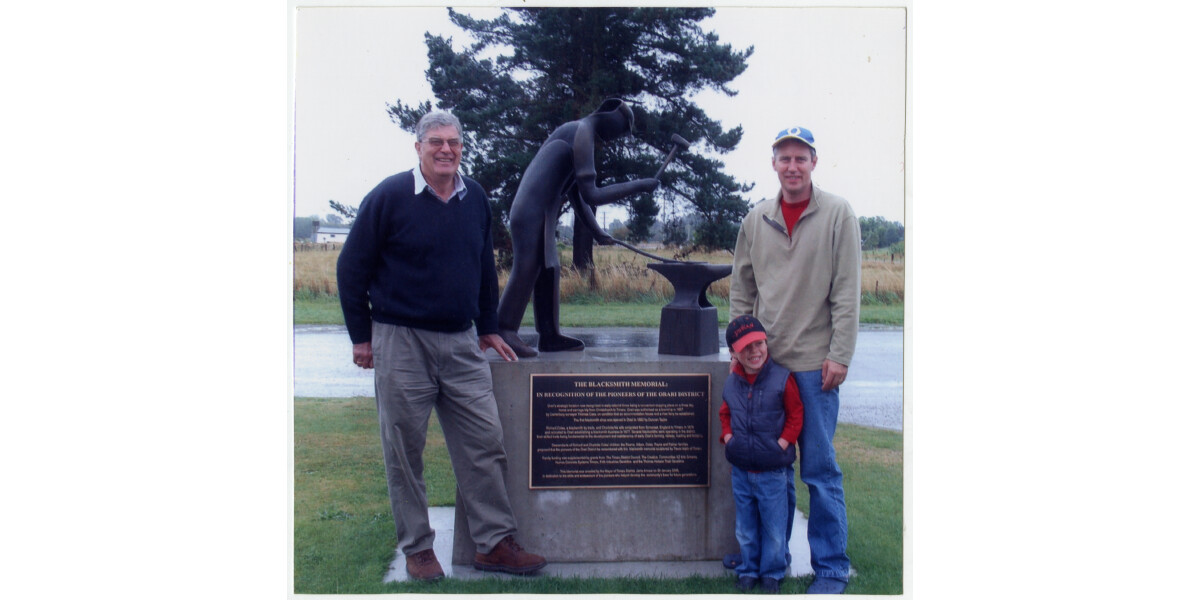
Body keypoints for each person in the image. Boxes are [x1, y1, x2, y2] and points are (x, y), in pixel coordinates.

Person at [336, 110, 547, 581]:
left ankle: (494, 543)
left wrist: (489, 326)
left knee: (484, 443)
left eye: (454, 142)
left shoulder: (476, 199)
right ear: (418, 148)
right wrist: (361, 337)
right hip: (400, 341)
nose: (446, 150)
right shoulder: (389, 197)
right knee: (404, 450)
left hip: (461, 342)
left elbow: (483, 269)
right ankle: (418, 548)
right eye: (436, 142)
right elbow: (350, 269)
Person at [728, 126, 861, 595]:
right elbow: (741, 289)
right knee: (770, 471)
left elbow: (847, 292)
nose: (792, 166)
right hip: (763, 370)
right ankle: (771, 559)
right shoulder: (756, 219)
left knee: (819, 472)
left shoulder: (838, 214)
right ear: (773, 164)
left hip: (815, 367)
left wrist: (840, 354)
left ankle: (831, 567)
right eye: (784, 158)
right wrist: (740, 351)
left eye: (800, 158)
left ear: (814, 162)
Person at [496, 98, 659, 357]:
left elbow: (577, 194)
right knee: (528, 267)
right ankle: (504, 328)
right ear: (611, 117)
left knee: (549, 268)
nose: (618, 138)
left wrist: (597, 231)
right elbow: (592, 194)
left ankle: (550, 335)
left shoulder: (576, 131)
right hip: (531, 212)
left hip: (542, 211)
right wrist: (639, 185)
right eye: (622, 130)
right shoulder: (583, 131)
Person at [720, 315, 804, 595]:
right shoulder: (732, 382)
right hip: (741, 471)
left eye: (758, 343)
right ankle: (749, 569)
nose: (754, 351)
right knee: (745, 528)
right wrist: (729, 439)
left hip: (773, 472)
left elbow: (796, 414)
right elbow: (725, 413)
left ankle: (772, 573)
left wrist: (782, 443)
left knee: (774, 529)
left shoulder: (782, 378)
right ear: (733, 353)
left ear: (766, 343)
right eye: (745, 347)